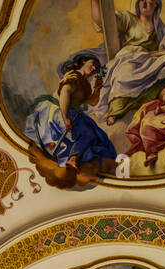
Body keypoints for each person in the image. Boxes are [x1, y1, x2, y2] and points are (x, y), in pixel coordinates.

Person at [88, 0, 165, 126]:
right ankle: (116, 110)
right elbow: (102, 20)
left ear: (156, 4)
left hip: (151, 61)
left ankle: (157, 95)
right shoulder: (129, 19)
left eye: (149, 0)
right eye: (142, 0)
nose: (145, 3)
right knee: (123, 74)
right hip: (130, 58)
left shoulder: (162, 29)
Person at [24, 52, 116, 187]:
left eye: (96, 67)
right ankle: (73, 158)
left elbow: (91, 102)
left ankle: (74, 156)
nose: (94, 68)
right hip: (60, 110)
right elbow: (65, 92)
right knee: (88, 133)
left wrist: (97, 88)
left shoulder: (85, 83)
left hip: (72, 112)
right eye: (92, 64)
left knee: (98, 134)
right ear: (83, 61)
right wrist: (65, 116)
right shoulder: (74, 76)